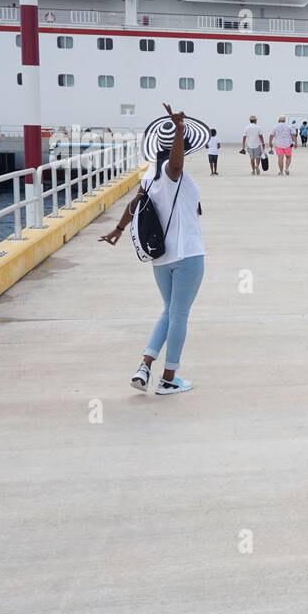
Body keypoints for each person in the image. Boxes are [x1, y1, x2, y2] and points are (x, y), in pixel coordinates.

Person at [99, 104, 205, 396]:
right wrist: (181, 130)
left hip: (161, 258)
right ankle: (169, 378)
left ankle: (144, 366)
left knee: (169, 311)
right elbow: (177, 164)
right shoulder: (173, 172)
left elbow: (135, 204)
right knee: (180, 314)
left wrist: (118, 230)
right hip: (187, 255)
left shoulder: (149, 175)